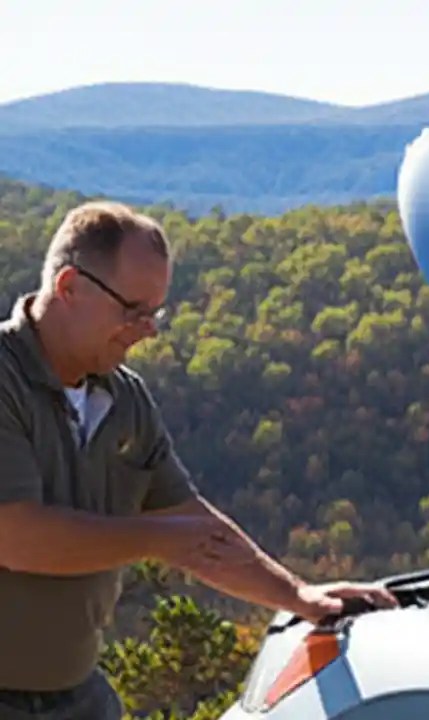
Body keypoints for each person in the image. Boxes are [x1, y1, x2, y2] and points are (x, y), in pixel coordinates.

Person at [0, 201, 398, 718]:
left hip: (76, 696)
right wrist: (157, 540)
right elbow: (18, 538)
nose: (148, 330)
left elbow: (189, 522)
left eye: (154, 313)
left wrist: (300, 597)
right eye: (133, 310)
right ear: (71, 286)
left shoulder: (125, 400)